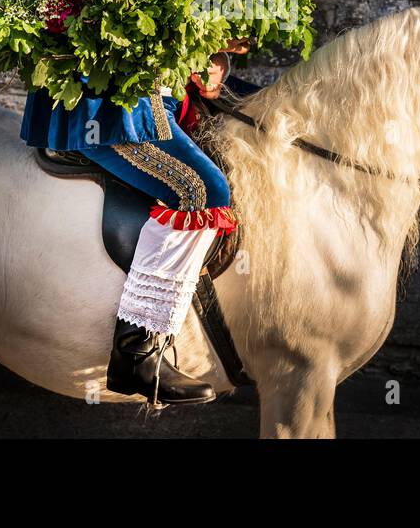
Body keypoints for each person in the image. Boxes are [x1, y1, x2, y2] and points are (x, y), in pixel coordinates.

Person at [20, 39, 249, 405]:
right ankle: (136, 354)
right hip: (108, 110)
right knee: (202, 190)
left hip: (156, 100)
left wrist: (207, 55)